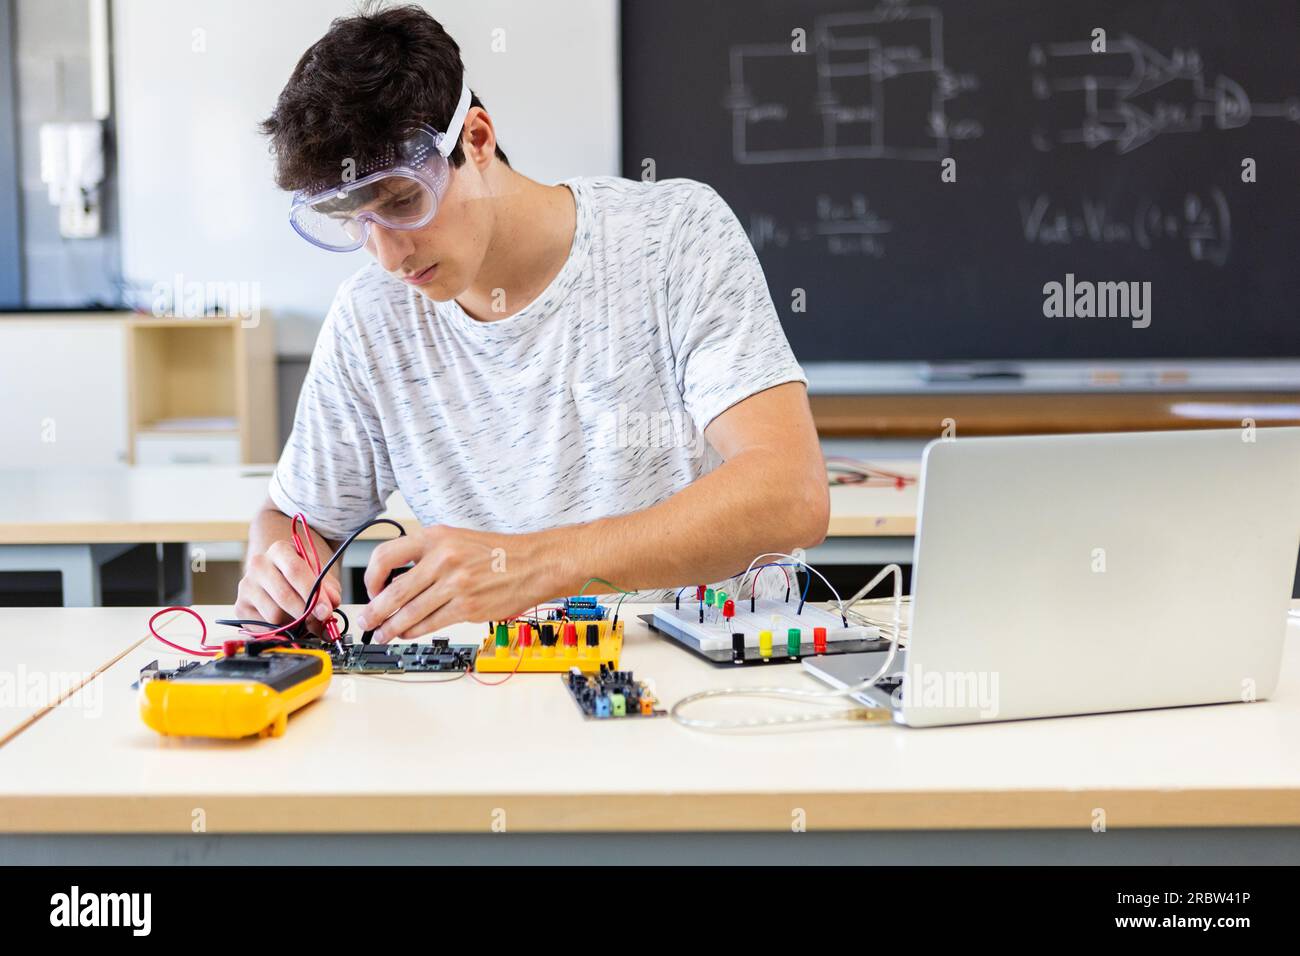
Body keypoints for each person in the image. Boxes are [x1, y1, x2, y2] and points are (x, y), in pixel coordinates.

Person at [236, 4, 828, 643]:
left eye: (405, 202)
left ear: (477, 139)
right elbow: (292, 518)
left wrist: (533, 566)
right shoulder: (371, 318)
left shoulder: (674, 237)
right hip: (499, 694)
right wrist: (280, 565)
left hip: (711, 683)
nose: (388, 254)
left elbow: (790, 493)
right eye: (355, 221)